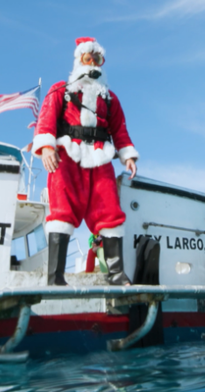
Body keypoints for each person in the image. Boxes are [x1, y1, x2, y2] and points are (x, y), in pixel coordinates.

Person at [32, 37, 139, 286]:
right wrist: (46, 147)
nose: (93, 64)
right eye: (87, 59)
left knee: (109, 208)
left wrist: (128, 155)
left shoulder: (109, 98)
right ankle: (55, 277)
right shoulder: (61, 89)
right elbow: (46, 119)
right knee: (62, 210)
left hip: (100, 156)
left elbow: (119, 129)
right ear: (78, 61)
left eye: (97, 59)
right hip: (66, 155)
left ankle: (116, 273)